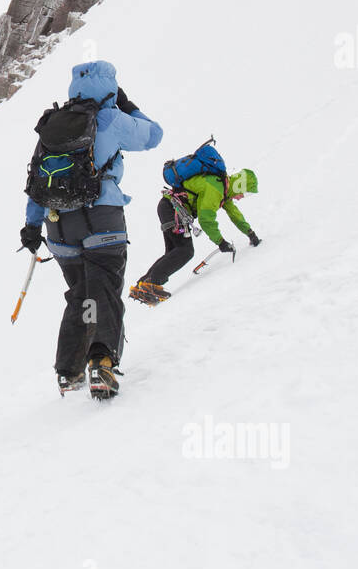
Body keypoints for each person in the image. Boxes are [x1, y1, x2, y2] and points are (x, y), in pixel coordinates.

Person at [20, 60, 163, 397]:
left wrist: (31, 225)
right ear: (111, 86)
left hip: (59, 231)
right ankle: (102, 362)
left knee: (81, 295)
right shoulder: (111, 118)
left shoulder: (53, 125)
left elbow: (38, 180)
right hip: (101, 224)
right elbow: (154, 135)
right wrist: (129, 106)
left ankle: (69, 371)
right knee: (104, 293)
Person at [129, 168, 260, 305]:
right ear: (239, 185)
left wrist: (250, 233)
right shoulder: (215, 189)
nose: (241, 197)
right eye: (244, 193)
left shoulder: (223, 190)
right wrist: (220, 242)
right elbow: (206, 219)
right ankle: (151, 285)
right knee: (185, 251)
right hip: (173, 209)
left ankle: (142, 285)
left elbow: (235, 215)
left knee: (175, 252)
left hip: (168, 206)